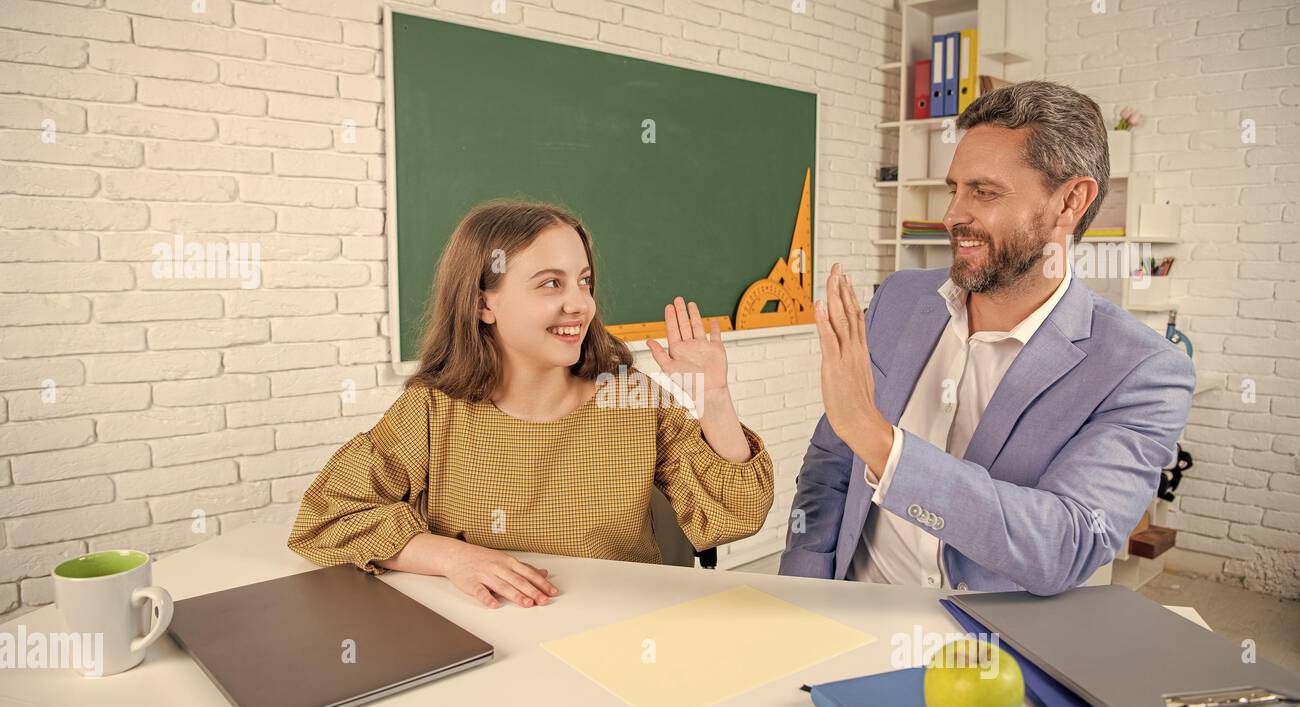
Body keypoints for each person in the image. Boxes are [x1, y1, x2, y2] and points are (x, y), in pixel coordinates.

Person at [781, 80, 1195, 595]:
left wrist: (880, 442)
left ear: (1071, 201)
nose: (953, 214)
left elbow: (1066, 544)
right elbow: (830, 466)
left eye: (985, 191)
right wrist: (805, 590)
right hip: (853, 607)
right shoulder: (899, 300)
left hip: (991, 650)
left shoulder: (1141, 370)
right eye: (954, 188)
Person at [288, 200, 773, 608]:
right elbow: (327, 516)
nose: (580, 304)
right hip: (483, 635)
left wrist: (715, 396)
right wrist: (451, 558)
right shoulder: (435, 409)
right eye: (550, 283)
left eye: (585, 282)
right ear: (483, 304)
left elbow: (736, 514)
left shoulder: (633, 400)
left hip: (615, 634)